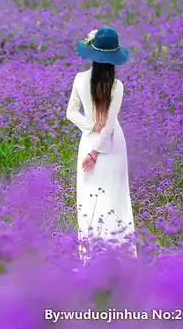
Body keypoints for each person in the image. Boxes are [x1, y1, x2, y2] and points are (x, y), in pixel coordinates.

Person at [66, 26, 136, 263]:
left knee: (89, 200)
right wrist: (96, 146)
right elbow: (109, 125)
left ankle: (90, 260)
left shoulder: (79, 79)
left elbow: (71, 113)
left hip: (89, 144)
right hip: (113, 146)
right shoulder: (117, 86)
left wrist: (89, 128)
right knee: (116, 200)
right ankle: (121, 259)